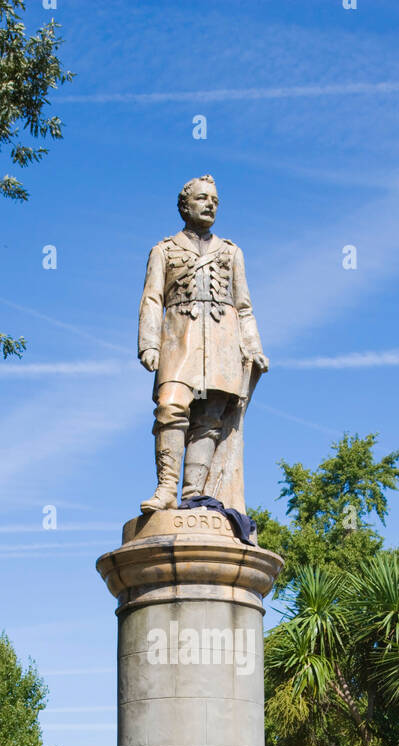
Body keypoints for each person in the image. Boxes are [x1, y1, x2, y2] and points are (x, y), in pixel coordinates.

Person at [137, 175, 268, 514]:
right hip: (178, 341)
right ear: (185, 205)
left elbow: (244, 306)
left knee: (209, 420)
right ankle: (166, 488)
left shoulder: (232, 251)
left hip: (224, 342)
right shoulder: (163, 250)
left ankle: (193, 494)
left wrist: (253, 347)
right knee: (170, 406)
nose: (210, 204)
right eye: (203, 198)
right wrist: (148, 344)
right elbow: (152, 299)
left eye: (215, 200)